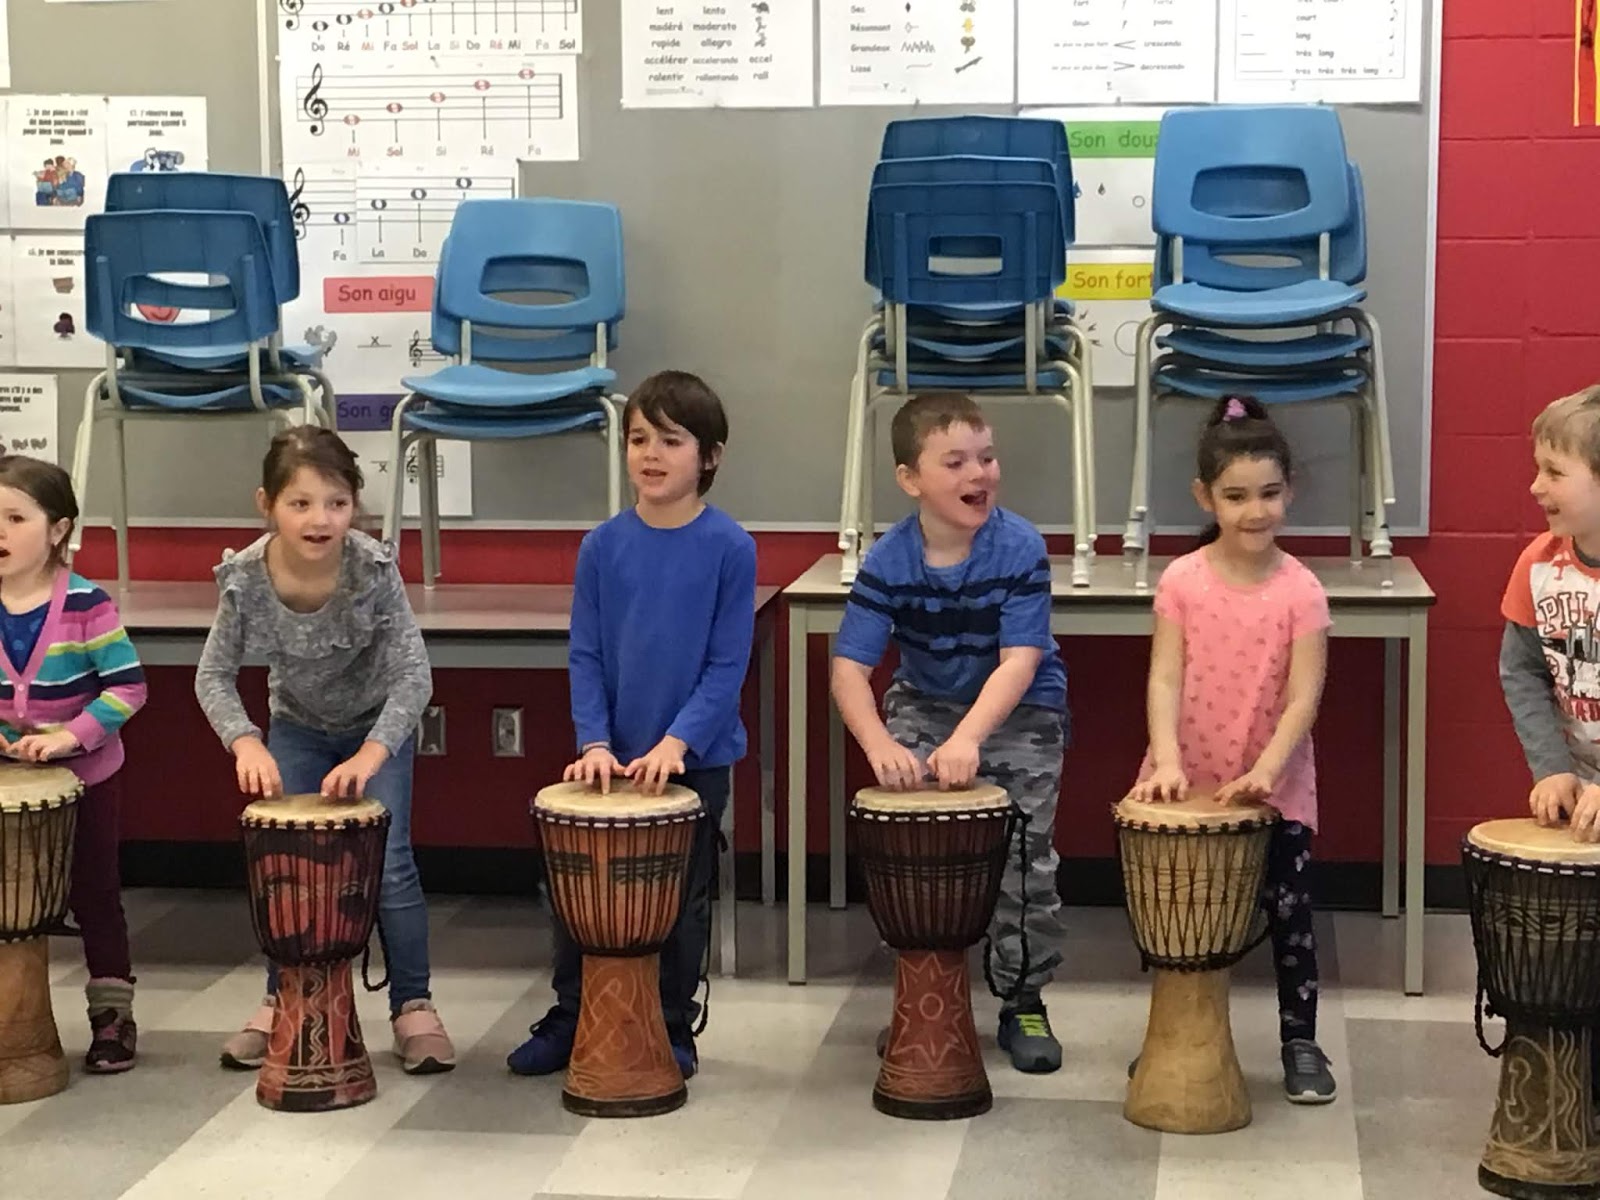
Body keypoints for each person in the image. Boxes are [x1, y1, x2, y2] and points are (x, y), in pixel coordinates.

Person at [507, 370, 756, 1081]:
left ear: (708, 456)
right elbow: (584, 653)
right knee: (577, 897)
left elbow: (725, 664)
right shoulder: (602, 546)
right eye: (638, 439)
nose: (650, 454)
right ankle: (570, 1014)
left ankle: (672, 1025)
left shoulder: (729, 548)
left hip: (694, 759)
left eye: (670, 440)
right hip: (609, 762)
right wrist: (594, 743)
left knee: (681, 903)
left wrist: (677, 743)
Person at [195, 425, 454, 1075]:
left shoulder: (371, 569)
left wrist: (373, 754)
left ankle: (413, 1004)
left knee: (390, 865)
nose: (320, 519)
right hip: (299, 730)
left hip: (374, 733)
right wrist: (245, 739)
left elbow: (413, 676)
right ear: (267, 504)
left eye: (337, 503)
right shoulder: (246, 577)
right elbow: (212, 674)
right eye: (301, 503)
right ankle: (281, 998)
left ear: (354, 504)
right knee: (291, 872)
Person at [830, 392, 1070, 1074]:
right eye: (956, 461)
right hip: (925, 704)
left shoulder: (1019, 546)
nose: (979, 474)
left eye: (987, 457)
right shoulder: (888, 560)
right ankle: (926, 990)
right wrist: (881, 745)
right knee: (917, 855)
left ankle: (1024, 997)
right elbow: (849, 669)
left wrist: (968, 740)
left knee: (1024, 861)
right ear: (911, 480)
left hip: (1019, 710)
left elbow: (1020, 661)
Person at [1126, 394, 1335, 1104]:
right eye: (1238, 495)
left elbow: (1303, 697)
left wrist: (1267, 772)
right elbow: (1164, 675)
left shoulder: (1302, 591)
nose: (1257, 510)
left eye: (1270, 493)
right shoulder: (1182, 579)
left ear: (1289, 491)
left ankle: (1300, 1041)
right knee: (1176, 917)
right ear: (1205, 496)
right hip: (1189, 776)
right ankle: (1172, 1037)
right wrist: (1166, 760)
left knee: (1289, 915)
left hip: (1274, 782)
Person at [0, 456, 147, 1071]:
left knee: (93, 894)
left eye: (14, 517)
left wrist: (70, 738)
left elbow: (128, 689)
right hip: (9, 780)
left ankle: (112, 1015)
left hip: (85, 777)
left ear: (58, 529)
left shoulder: (86, 603)